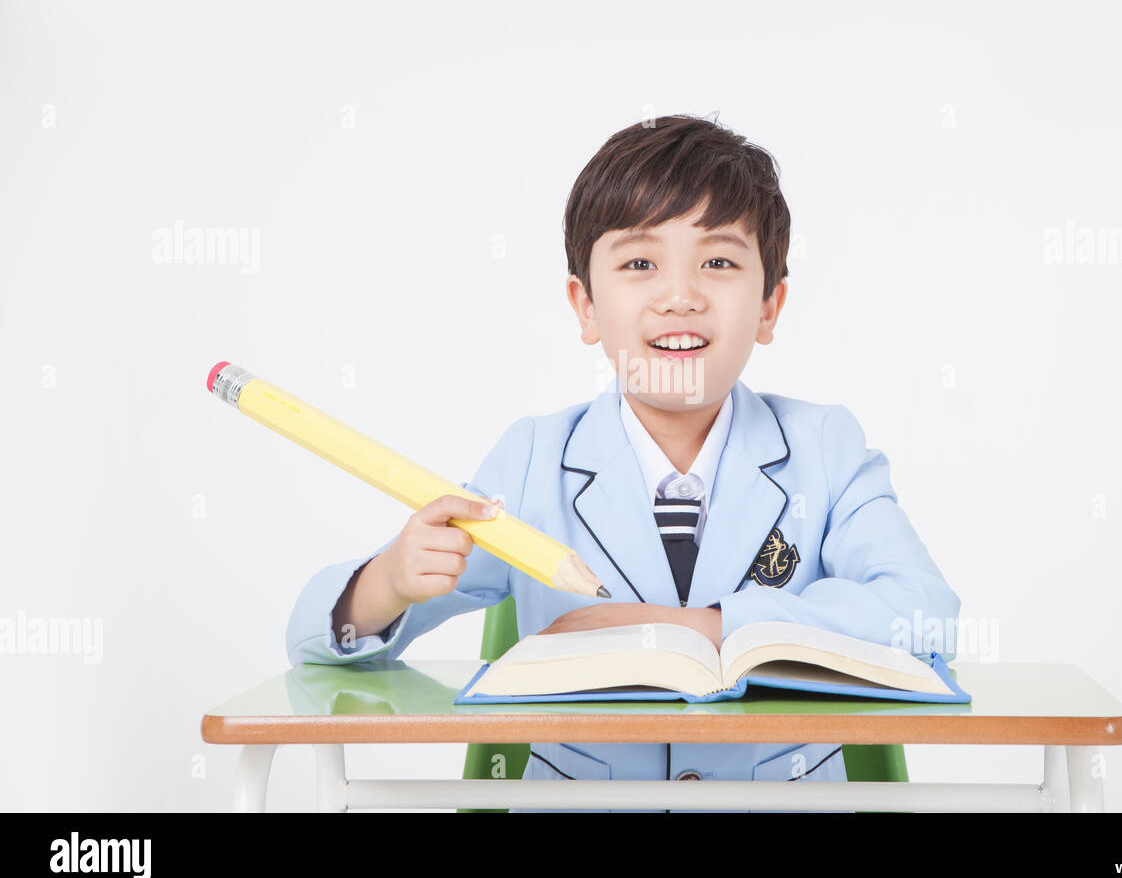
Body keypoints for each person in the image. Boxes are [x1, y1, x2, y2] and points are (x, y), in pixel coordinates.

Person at [286, 114, 961, 810]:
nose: (680, 295)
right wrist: (390, 582)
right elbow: (310, 638)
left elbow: (928, 617)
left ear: (768, 307)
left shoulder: (824, 448)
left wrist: (704, 626)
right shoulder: (533, 461)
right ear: (585, 306)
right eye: (640, 263)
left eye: (719, 262)